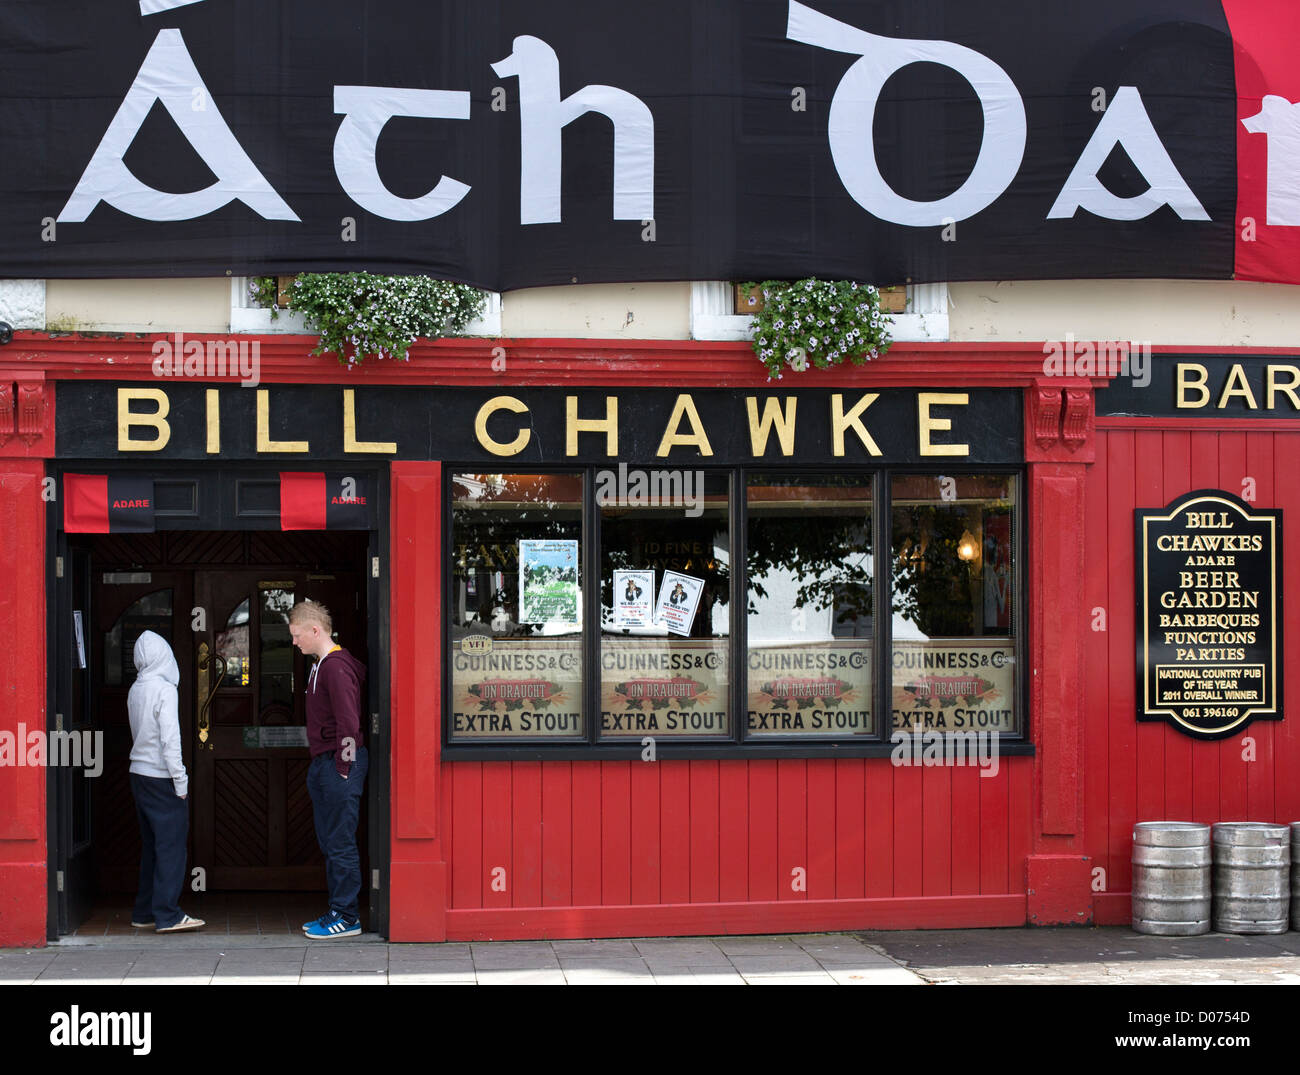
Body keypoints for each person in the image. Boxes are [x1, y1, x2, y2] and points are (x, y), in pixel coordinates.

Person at [289, 599, 368, 939]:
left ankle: (347, 916)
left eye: (296, 635)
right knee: (332, 839)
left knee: (339, 841)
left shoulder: (335, 667)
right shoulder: (322, 664)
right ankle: (338, 909)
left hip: (338, 764)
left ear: (315, 630)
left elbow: (349, 721)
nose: (294, 642)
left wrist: (342, 768)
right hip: (327, 763)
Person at [127, 631, 204, 933]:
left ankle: (144, 911)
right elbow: (170, 741)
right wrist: (181, 782)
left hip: (139, 774)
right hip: (162, 778)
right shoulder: (165, 690)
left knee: (151, 846)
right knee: (171, 847)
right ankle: (168, 914)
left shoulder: (136, 688)